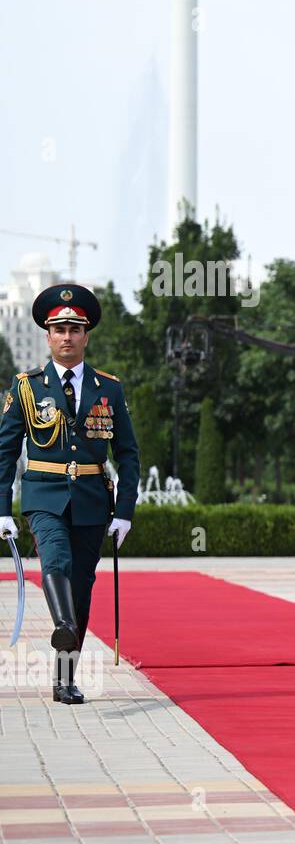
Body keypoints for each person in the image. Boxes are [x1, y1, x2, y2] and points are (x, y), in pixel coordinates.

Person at [0, 284, 139, 704]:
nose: (66, 336)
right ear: (47, 334)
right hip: (44, 497)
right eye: (58, 328)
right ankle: (62, 622)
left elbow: (129, 454)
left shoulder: (108, 388)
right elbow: (5, 452)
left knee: (82, 586)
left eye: (74, 329)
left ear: (86, 335)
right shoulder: (27, 387)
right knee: (55, 558)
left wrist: (126, 511)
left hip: (94, 500)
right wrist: (2, 508)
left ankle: (65, 679)